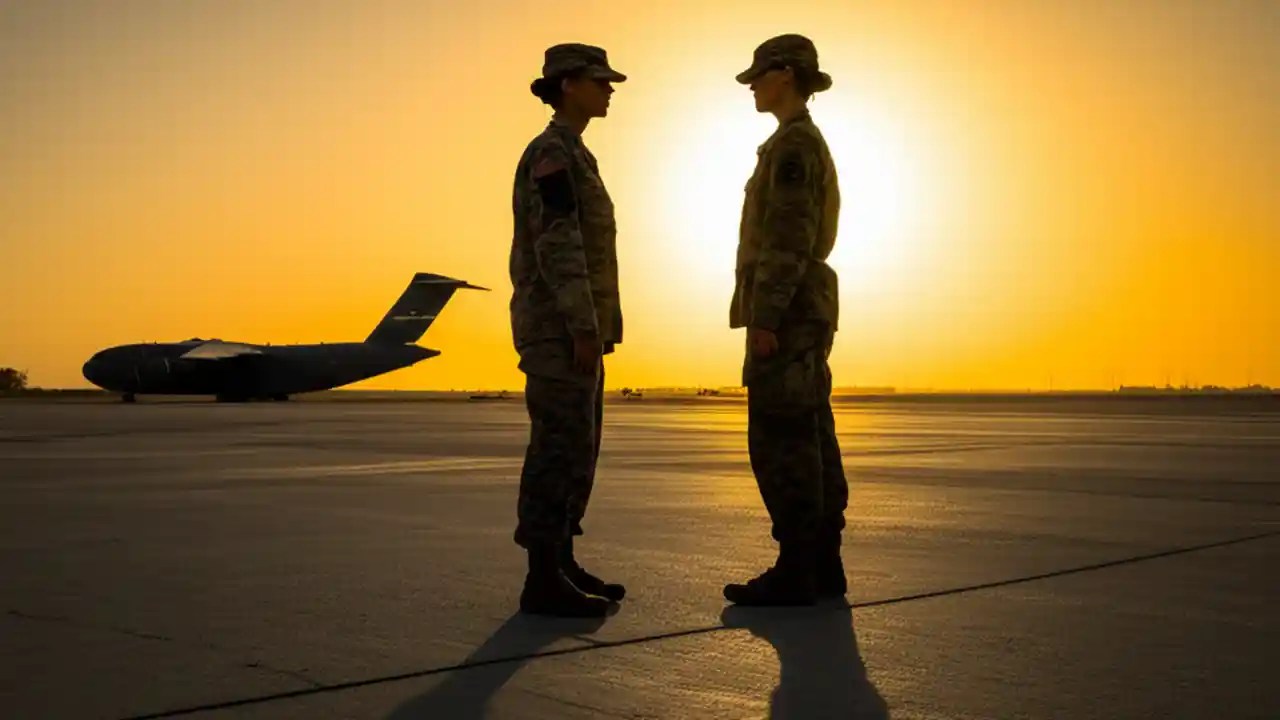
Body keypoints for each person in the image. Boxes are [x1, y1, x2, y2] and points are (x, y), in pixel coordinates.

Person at [723, 34, 849, 606]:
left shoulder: (793, 147)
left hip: (788, 310)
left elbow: (789, 236)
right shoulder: (794, 143)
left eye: (760, 75)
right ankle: (820, 563)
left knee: (783, 438)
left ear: (786, 76)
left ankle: (800, 566)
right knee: (811, 431)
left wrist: (766, 316)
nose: (752, 85)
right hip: (802, 308)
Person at [508, 43, 627, 617]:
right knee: (557, 447)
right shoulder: (551, 153)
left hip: (576, 328)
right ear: (567, 85)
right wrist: (581, 324)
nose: (609, 89)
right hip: (558, 329)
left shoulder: (575, 153)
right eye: (599, 80)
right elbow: (558, 245)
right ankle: (541, 578)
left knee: (580, 445)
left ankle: (562, 560)